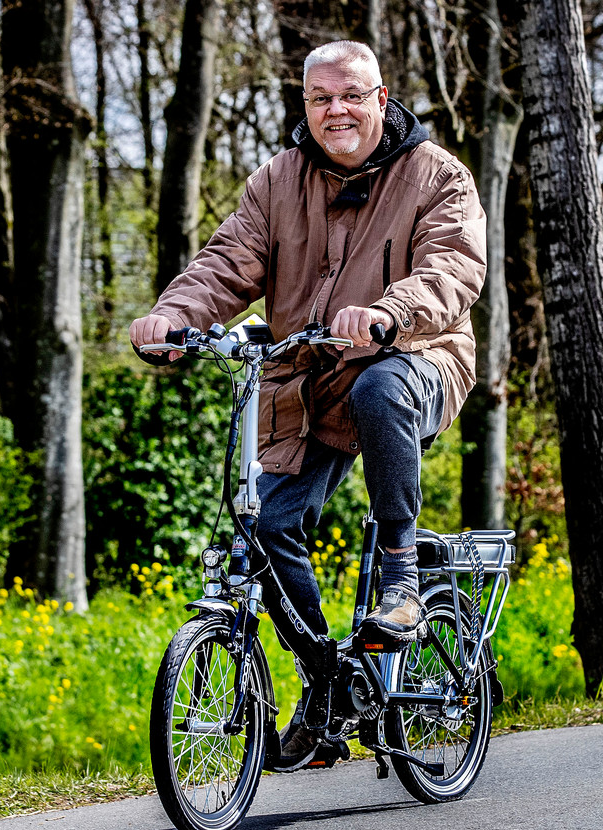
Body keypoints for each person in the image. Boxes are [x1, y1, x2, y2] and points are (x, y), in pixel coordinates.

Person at [130, 40, 486, 767]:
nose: (337, 110)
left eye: (351, 95)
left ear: (381, 100)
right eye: (320, 98)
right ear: (305, 107)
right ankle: (328, 684)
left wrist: (389, 312)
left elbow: (454, 266)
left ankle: (401, 575)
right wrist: (172, 318)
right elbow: (227, 264)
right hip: (308, 381)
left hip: (414, 358)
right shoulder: (277, 181)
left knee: (381, 387)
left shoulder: (436, 175)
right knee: (264, 527)